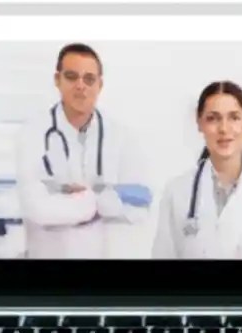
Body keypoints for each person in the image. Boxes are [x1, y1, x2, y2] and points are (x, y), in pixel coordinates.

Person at [14, 43, 152, 259]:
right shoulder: (32, 134)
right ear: (57, 80)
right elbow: (36, 207)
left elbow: (141, 205)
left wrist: (70, 198)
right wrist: (102, 200)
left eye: (89, 79)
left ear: (100, 85)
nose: (81, 86)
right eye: (71, 77)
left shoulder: (122, 137)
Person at [153, 81, 242, 260]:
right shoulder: (176, 192)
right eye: (213, 118)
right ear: (199, 122)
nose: (224, 129)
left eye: (234, 117)